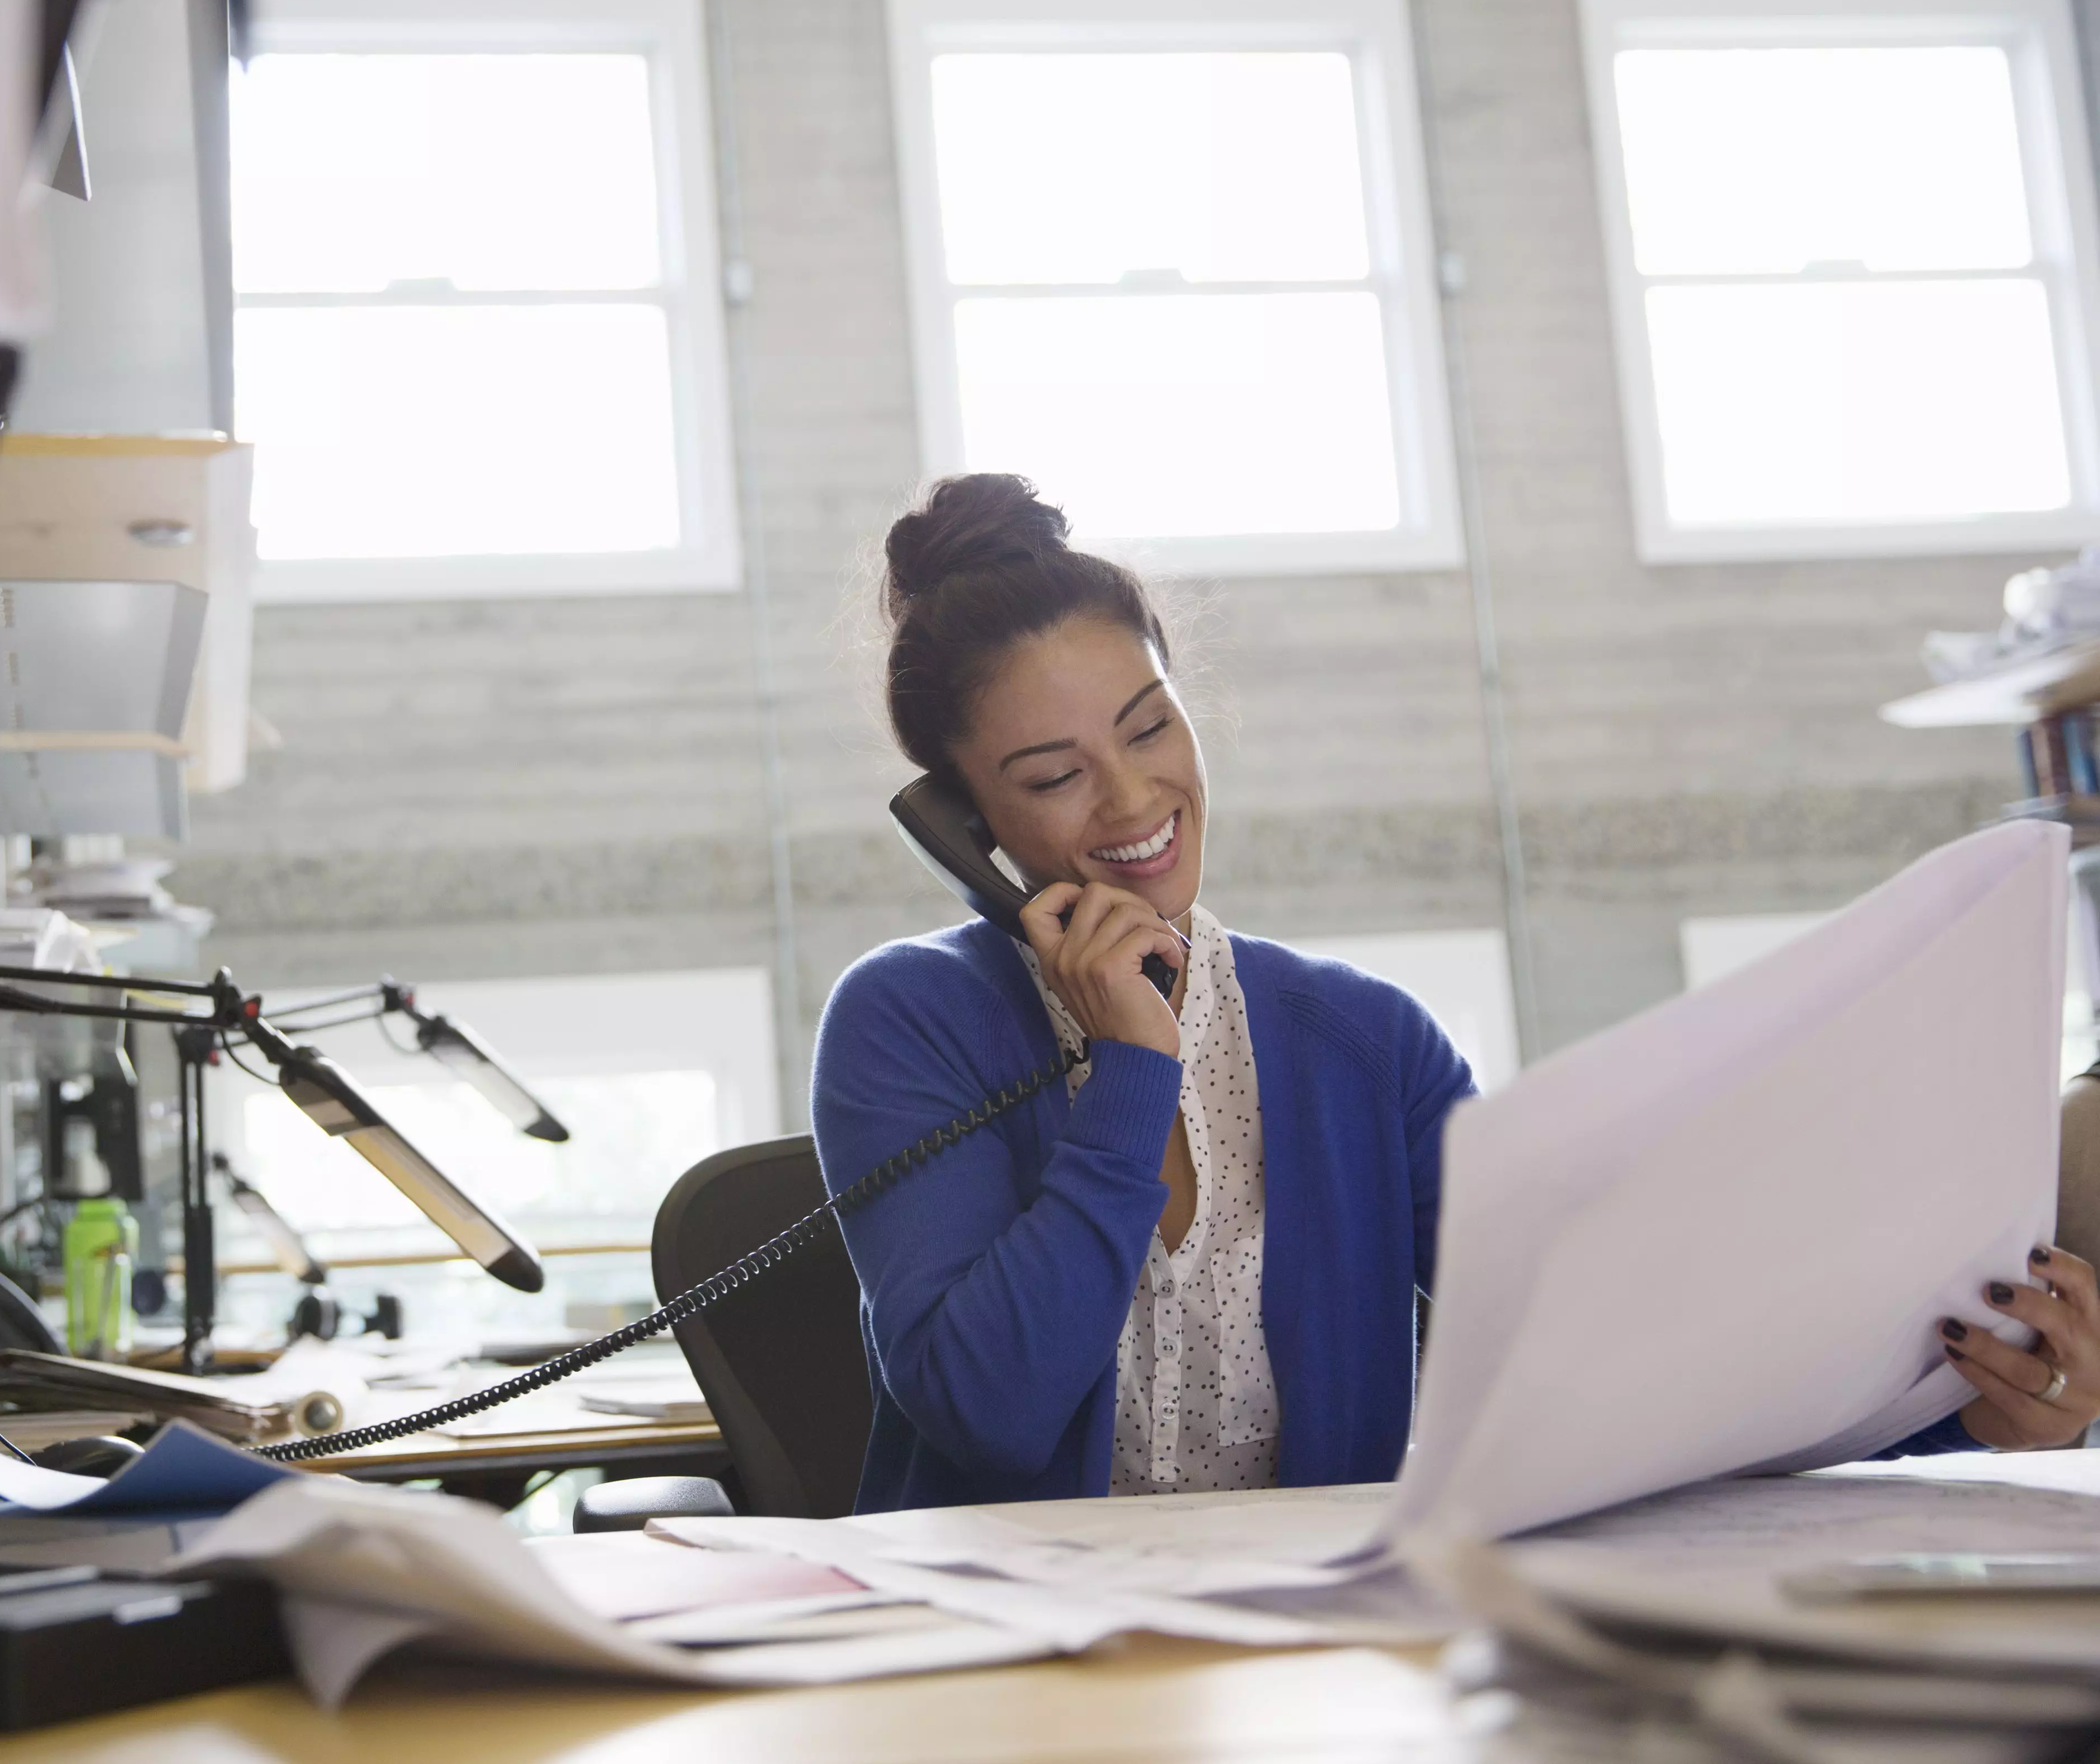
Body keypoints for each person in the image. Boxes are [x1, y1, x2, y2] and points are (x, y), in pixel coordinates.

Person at [812, 472, 2099, 1513]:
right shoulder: (905, 1024)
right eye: (1052, 777)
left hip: (1322, 1665)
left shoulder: (1365, 1046)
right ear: (961, 820)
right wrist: (1128, 1073)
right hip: (997, 1671)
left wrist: (1957, 1414)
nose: (1134, 800)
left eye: (1150, 728)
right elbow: (990, 1414)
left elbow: (1613, 1370)